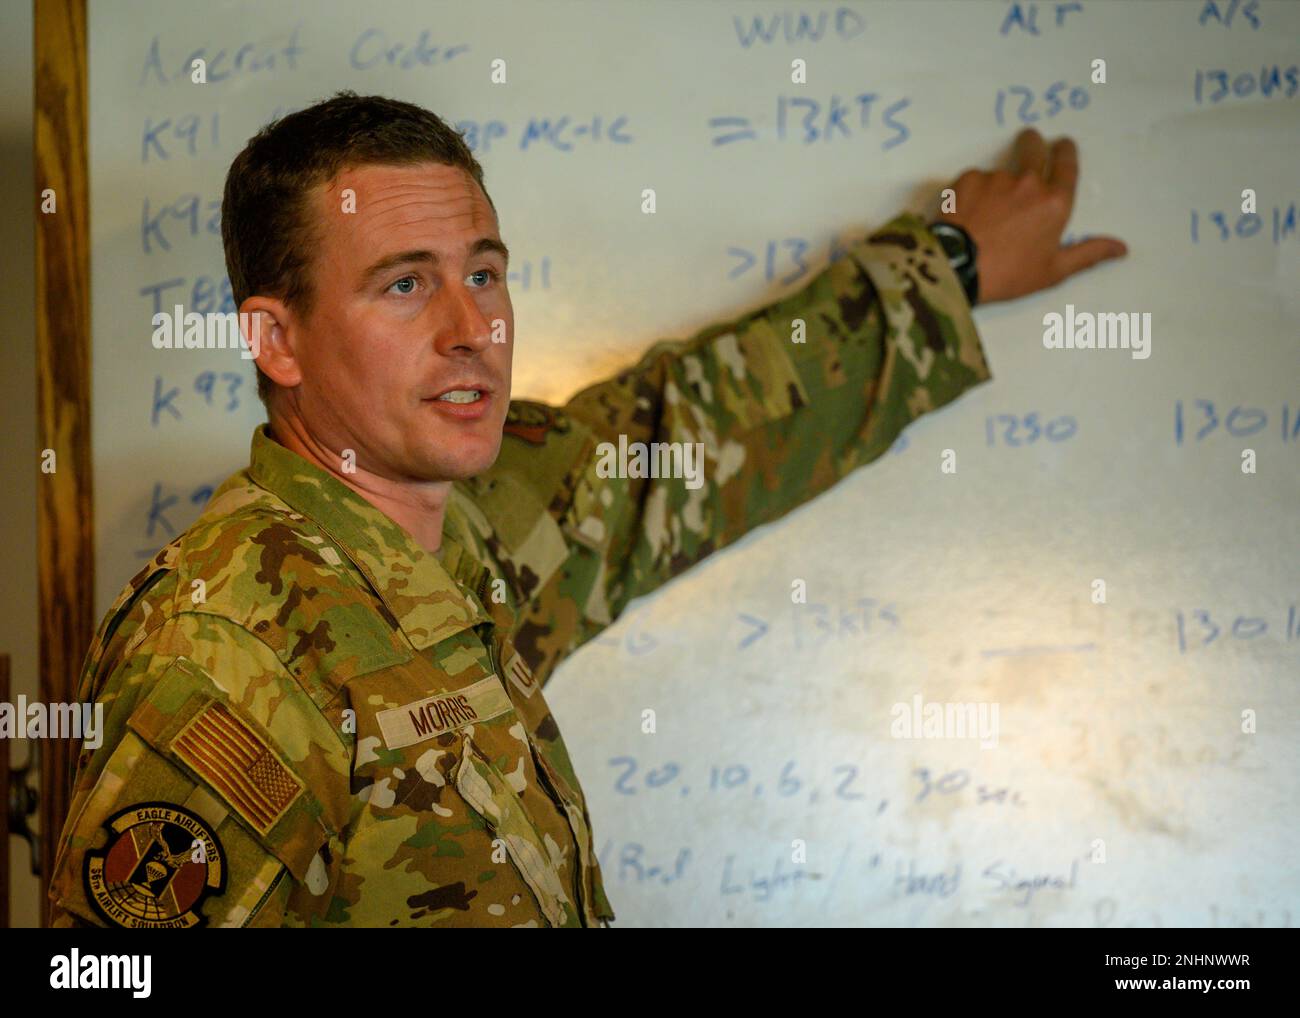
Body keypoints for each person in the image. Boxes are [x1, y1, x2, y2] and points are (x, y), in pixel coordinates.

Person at [48, 92, 1126, 928]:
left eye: (485, 271)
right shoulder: (227, 652)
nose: (473, 326)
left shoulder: (471, 523)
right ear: (276, 340)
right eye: (406, 285)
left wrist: (946, 263)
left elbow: (685, 432)